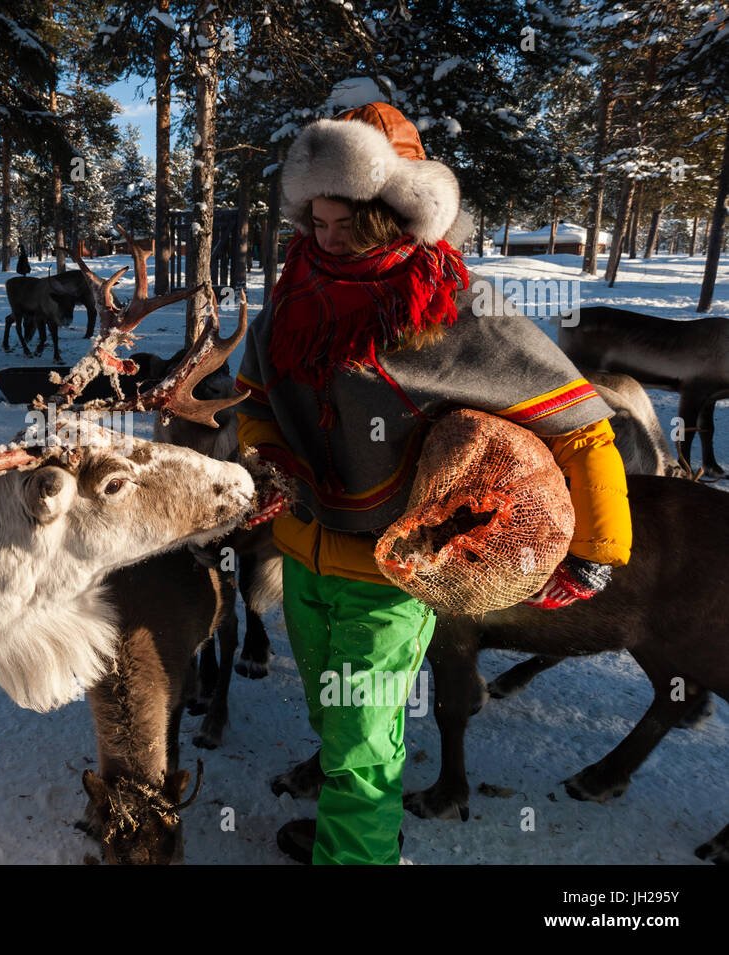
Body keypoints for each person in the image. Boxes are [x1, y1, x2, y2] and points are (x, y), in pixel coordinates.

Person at [234, 102, 632, 865]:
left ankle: (358, 854)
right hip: (302, 556)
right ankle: (357, 827)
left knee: (359, 742)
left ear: (394, 213)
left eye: (345, 220)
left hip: (389, 572)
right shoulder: (292, 297)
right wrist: (267, 456)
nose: (326, 239)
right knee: (340, 721)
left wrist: (597, 548)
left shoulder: (453, 308)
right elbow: (255, 399)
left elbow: (581, 422)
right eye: (314, 221)